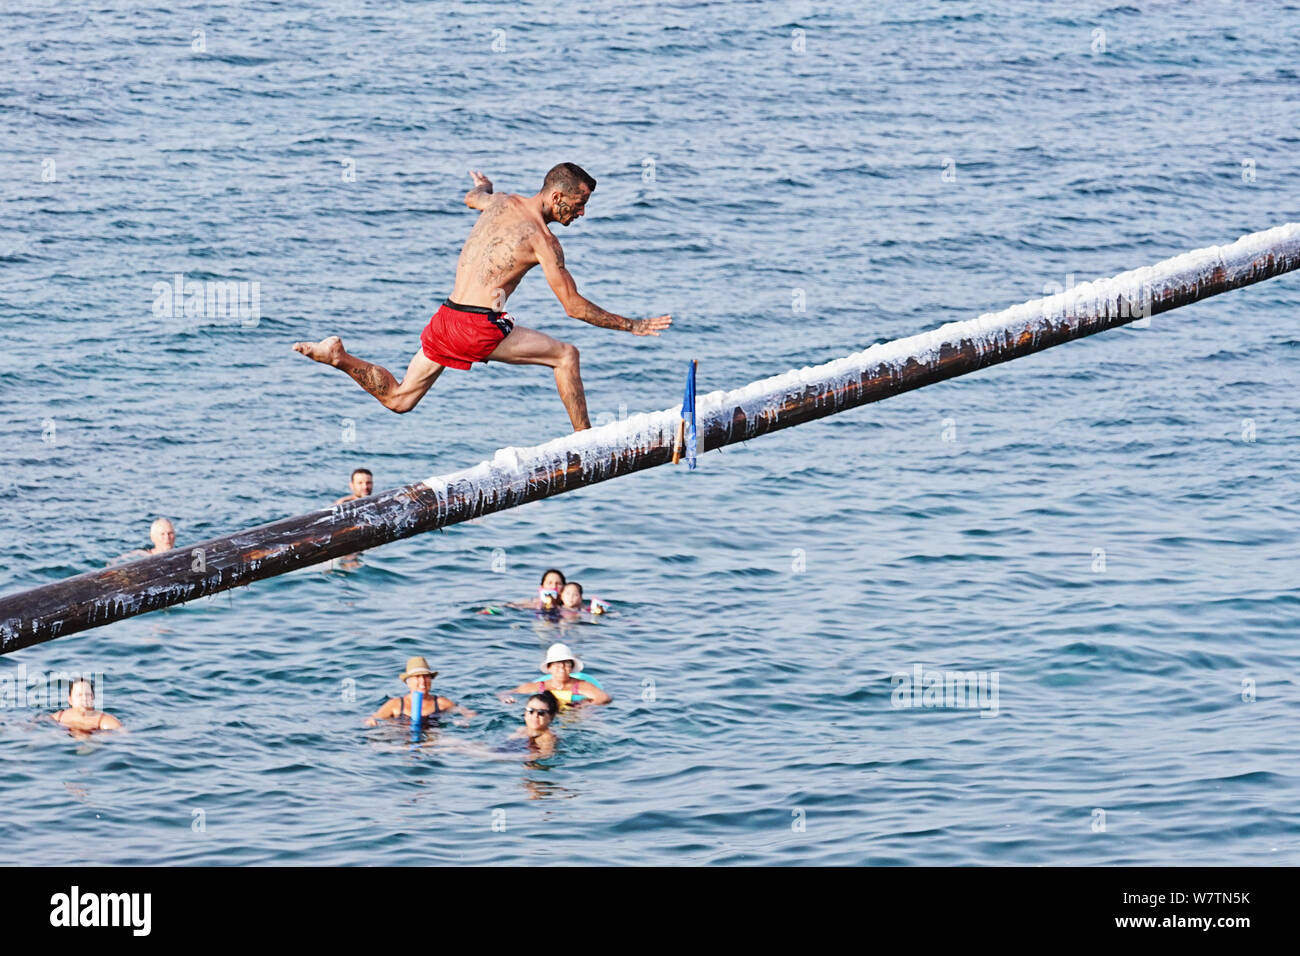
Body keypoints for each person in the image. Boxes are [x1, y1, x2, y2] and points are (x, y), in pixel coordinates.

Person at [292, 163, 672, 432]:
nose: (583, 212)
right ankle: (586, 441)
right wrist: (632, 325)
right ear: (557, 197)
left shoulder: (501, 202)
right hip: (475, 326)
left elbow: (471, 198)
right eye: (579, 203)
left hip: (446, 318)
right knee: (566, 355)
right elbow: (572, 307)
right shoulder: (543, 240)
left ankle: (338, 358)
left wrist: (486, 186)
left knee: (400, 399)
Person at [364, 656, 474, 726]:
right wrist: (371, 722)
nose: (422, 681)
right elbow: (372, 718)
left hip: (432, 737)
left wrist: (464, 721)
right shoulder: (396, 704)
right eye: (417, 677)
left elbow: (469, 713)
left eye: (426, 677)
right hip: (401, 736)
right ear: (408, 682)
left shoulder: (441, 703)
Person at [500, 642, 611, 709]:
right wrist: (506, 699)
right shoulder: (540, 686)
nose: (562, 668)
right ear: (549, 668)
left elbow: (604, 698)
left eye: (566, 664)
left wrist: (583, 705)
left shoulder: (580, 686)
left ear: (572, 667)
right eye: (557, 664)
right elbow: (504, 693)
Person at [51, 679, 122, 734]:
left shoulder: (106, 722)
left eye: (88, 695)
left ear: (93, 698)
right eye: (79, 695)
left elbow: (124, 736)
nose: (84, 699)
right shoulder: (58, 717)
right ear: (70, 700)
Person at [108, 517, 175, 565]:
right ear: (153, 538)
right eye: (162, 534)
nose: (167, 537)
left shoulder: (181, 555)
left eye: (170, 533)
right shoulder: (141, 554)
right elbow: (113, 562)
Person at [512, 691, 558, 756]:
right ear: (525, 713)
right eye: (531, 711)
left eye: (541, 713)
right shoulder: (522, 730)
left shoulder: (547, 738)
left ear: (551, 717)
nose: (535, 715)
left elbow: (544, 756)